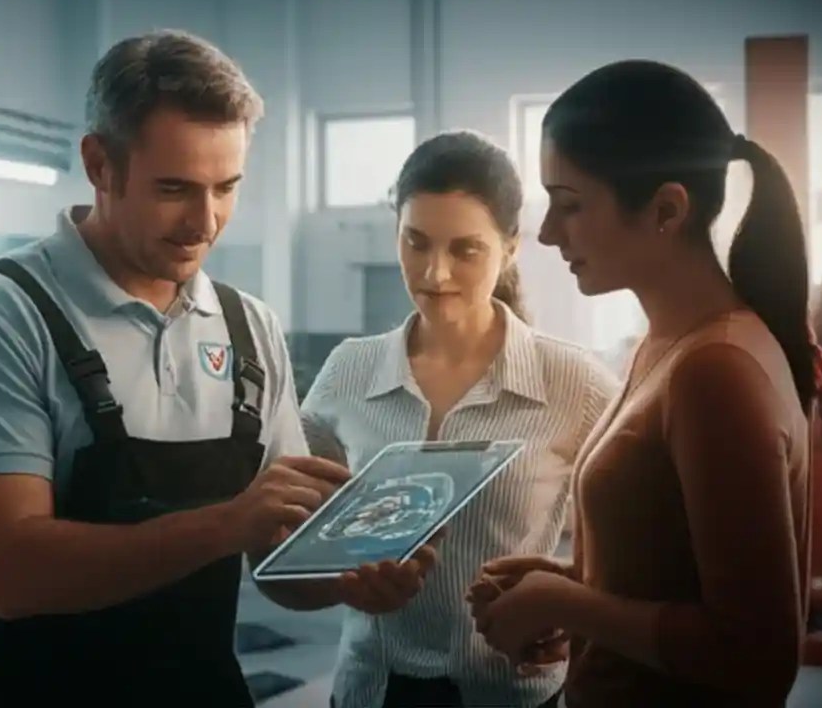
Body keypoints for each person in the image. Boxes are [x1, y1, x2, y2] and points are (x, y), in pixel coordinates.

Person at [0, 30, 364, 706]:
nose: (206, 220)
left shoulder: (250, 328)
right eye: (174, 188)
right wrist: (227, 522)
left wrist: (353, 573)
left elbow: (280, 569)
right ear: (100, 164)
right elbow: (13, 574)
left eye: (227, 187)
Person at [469, 59, 818, 707]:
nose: (546, 233)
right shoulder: (667, 344)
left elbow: (758, 657)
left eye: (569, 205)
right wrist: (572, 588)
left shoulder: (715, 371)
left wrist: (569, 601)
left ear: (665, 209)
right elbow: (674, 574)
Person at [264, 130, 619, 708]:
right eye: (416, 242)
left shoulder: (574, 383)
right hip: (370, 690)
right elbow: (291, 551)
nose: (435, 273)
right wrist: (343, 582)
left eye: (465, 249)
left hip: (511, 692)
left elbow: (653, 544)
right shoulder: (347, 373)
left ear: (509, 248)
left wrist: (577, 604)